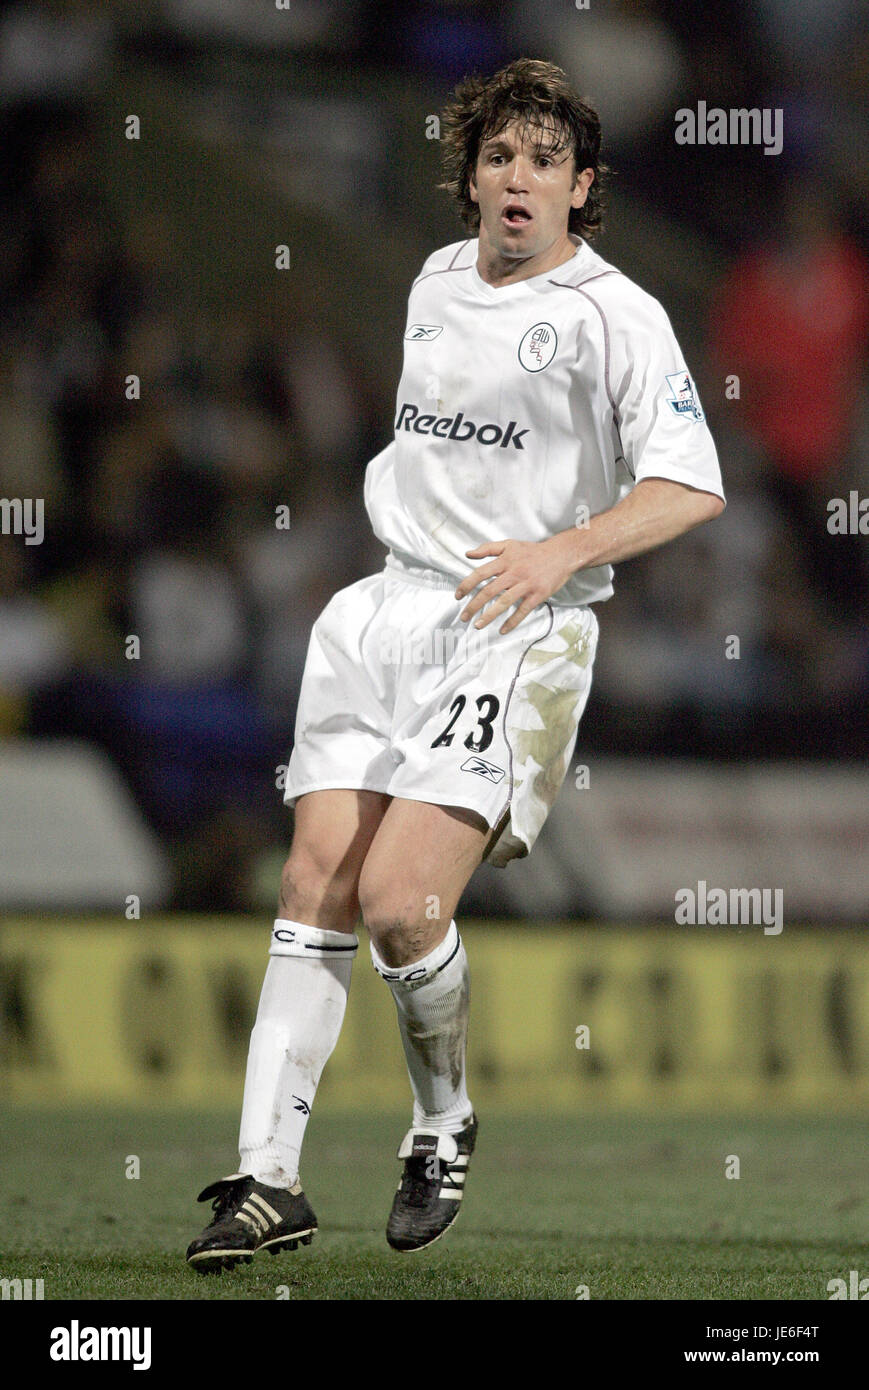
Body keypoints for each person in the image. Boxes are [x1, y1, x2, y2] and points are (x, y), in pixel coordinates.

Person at [185, 57, 725, 1271]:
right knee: (313, 883)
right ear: (470, 178)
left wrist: (560, 552)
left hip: (515, 630)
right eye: (497, 157)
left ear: (581, 187)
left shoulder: (613, 315)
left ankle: (441, 1119)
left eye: (543, 161)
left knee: (399, 905)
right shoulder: (433, 278)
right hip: (383, 613)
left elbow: (692, 484)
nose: (517, 180)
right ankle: (268, 1180)